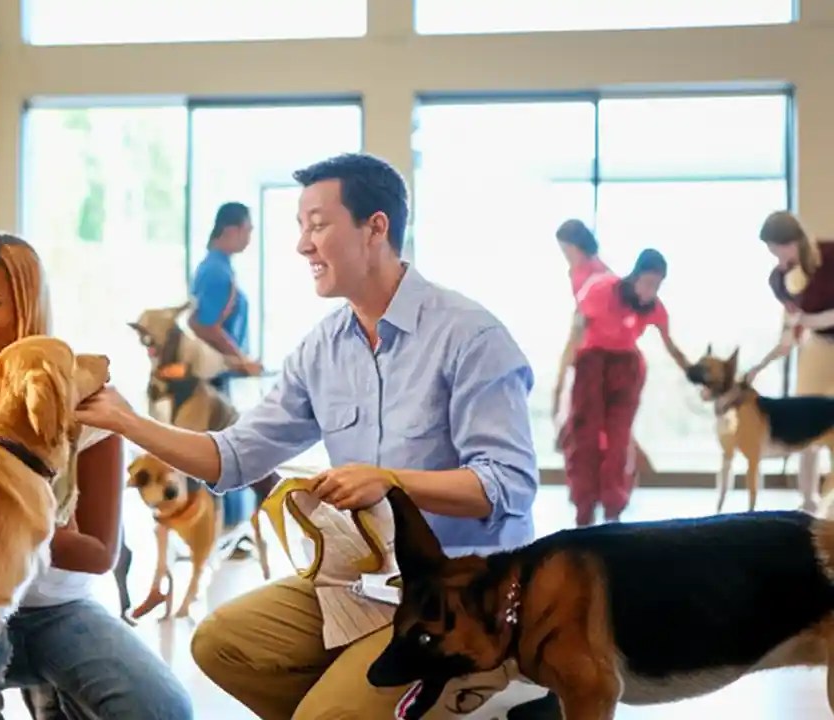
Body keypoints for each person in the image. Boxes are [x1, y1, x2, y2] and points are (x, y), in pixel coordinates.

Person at [77, 153, 549, 719]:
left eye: (318, 224)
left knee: (326, 716)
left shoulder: (471, 336)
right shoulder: (321, 350)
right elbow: (231, 459)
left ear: (376, 227)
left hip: (466, 592)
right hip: (368, 586)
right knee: (220, 641)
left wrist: (390, 481)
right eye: (300, 227)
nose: (303, 245)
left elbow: (509, 486)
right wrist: (127, 420)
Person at [0, 233, 192, 720]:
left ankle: (52, 694)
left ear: (27, 309)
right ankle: (47, 700)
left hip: (57, 609)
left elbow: (100, 554)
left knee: (163, 709)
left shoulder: (90, 403)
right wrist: (35, 526)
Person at [564, 249, 690, 527]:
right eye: (646, 283)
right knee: (585, 437)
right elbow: (577, 328)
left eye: (656, 286)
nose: (649, 292)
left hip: (626, 369)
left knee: (618, 442)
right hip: (592, 365)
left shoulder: (655, 308)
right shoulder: (602, 289)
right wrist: (567, 368)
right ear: (635, 276)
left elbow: (670, 346)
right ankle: (584, 509)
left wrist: (691, 371)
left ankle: (614, 509)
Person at [550, 220, 649, 500]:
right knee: (610, 428)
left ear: (575, 246)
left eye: (566, 248)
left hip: (598, 357)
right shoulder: (592, 271)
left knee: (594, 427)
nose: (565, 254)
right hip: (600, 354)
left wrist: (570, 356)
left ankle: (605, 490)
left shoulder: (591, 273)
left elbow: (583, 322)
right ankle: (610, 489)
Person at [743, 211, 834, 512]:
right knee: (808, 420)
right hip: (818, 347)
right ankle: (808, 499)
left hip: (825, 334)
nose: (775, 256)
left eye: (775, 247)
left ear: (791, 241)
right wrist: (761, 365)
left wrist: (809, 319)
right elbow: (791, 331)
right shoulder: (778, 279)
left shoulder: (830, 256)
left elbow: (809, 318)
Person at [188, 202, 263, 392]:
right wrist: (242, 361)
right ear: (231, 230)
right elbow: (205, 325)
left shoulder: (219, 266)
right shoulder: (216, 270)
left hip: (221, 378)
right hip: (214, 381)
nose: (248, 239)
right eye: (247, 230)